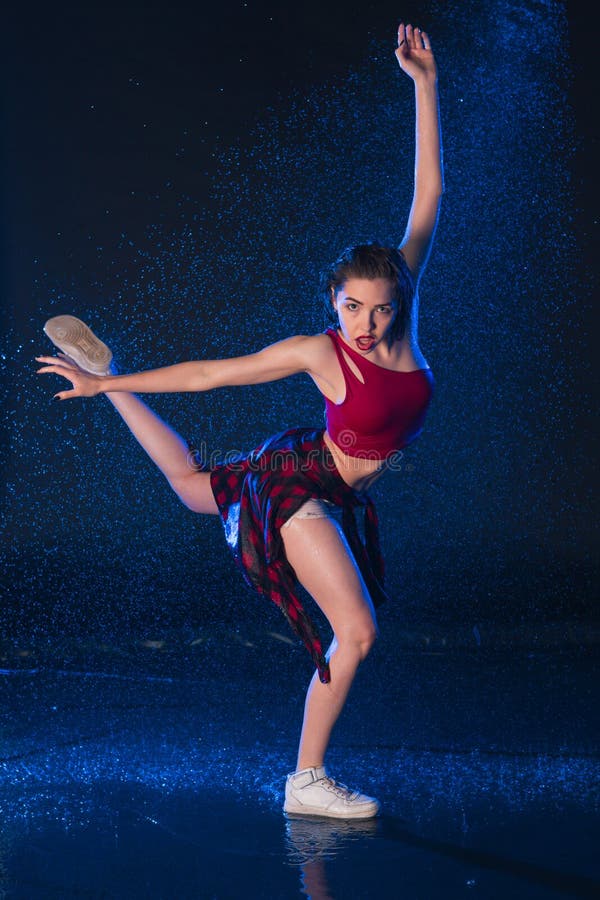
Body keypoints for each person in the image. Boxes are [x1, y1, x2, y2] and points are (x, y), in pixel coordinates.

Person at [35, 21, 442, 819]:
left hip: (319, 477)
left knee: (193, 488)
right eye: (351, 307)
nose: (365, 323)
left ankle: (113, 379)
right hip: (304, 485)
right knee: (353, 635)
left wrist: (424, 85)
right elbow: (209, 375)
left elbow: (428, 196)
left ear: (399, 298)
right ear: (334, 302)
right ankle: (306, 779)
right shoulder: (320, 351)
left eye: (379, 308)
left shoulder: (404, 311)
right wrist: (81, 388)